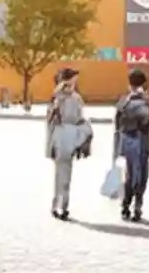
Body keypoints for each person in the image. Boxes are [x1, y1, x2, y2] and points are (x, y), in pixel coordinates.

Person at [114, 68, 149, 222]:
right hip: (143, 141)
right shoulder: (147, 102)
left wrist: (117, 148)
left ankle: (125, 206)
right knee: (142, 174)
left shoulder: (123, 101)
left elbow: (117, 126)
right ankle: (137, 205)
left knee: (130, 174)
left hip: (128, 140)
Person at [45, 68, 92, 221]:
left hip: (69, 135)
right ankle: (59, 204)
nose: (74, 82)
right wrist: (50, 144)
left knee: (65, 172)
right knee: (62, 172)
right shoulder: (57, 98)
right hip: (61, 136)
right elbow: (50, 122)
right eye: (72, 79)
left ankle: (62, 205)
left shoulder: (76, 98)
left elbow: (79, 118)